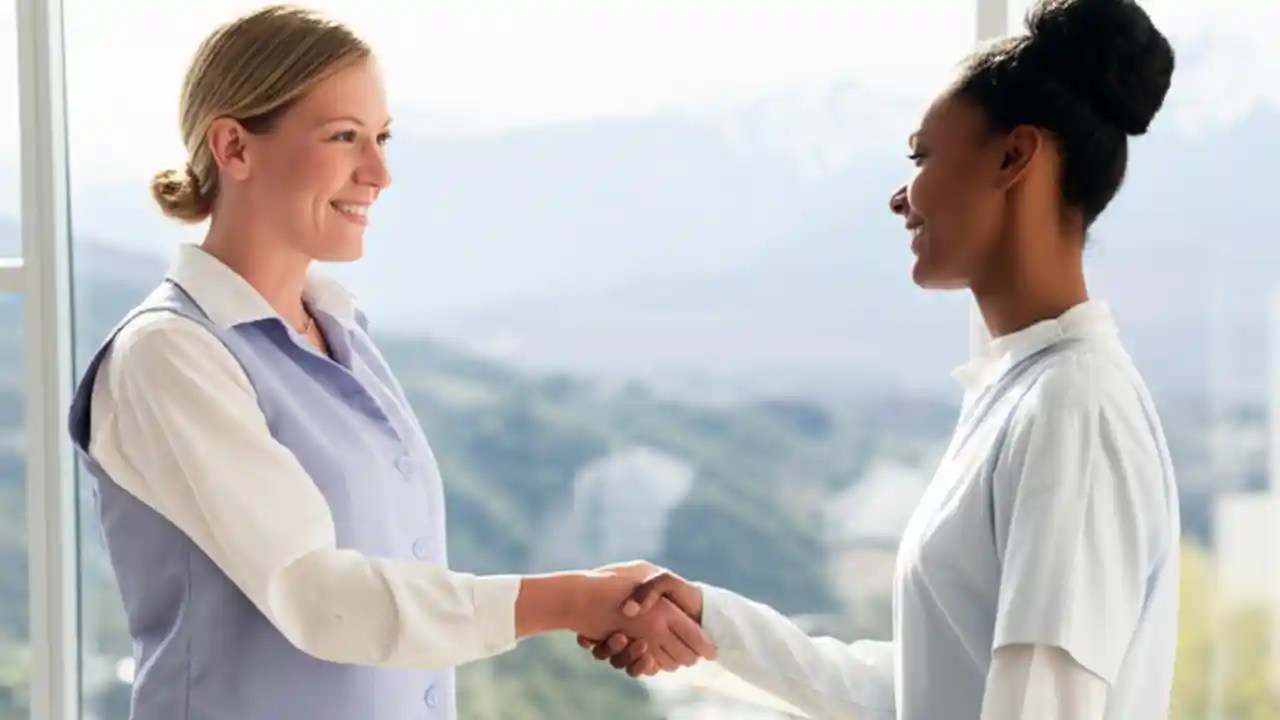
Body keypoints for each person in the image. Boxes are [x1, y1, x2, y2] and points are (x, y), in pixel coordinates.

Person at [65, 6, 712, 720]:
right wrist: (571, 600)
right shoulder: (170, 354)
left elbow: (397, 581)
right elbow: (320, 596)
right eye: (344, 137)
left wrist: (600, 599)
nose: (379, 172)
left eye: (381, 138)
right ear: (234, 147)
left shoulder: (339, 332)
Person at [582, 1, 1181, 718]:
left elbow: (1039, 705)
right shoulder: (1026, 392)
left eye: (922, 156)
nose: (901, 196)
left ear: (1014, 156)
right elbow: (930, 690)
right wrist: (709, 626)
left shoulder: (1073, 405)